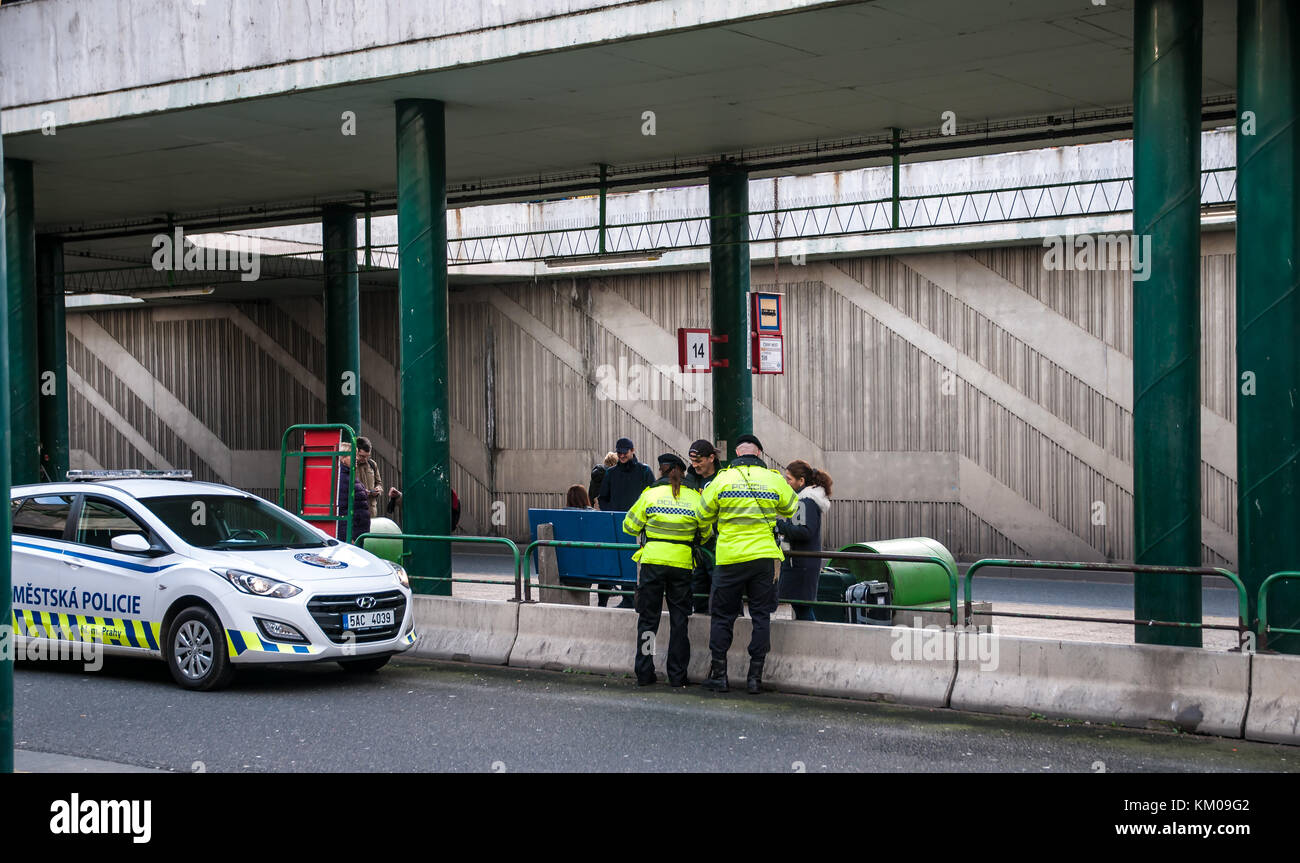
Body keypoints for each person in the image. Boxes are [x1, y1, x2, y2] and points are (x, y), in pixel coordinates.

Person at [697, 434, 797, 694]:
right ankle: (755, 678)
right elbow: (791, 508)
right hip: (763, 558)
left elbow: (703, 513)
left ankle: (720, 676)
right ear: (760, 455)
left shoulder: (722, 479)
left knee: (722, 616)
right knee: (761, 616)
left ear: (737, 455)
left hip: (729, 558)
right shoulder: (774, 479)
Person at [622, 453, 711, 687]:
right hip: (682, 565)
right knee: (679, 621)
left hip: (652, 563)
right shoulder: (695, 498)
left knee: (648, 620)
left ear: (661, 471)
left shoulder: (649, 494)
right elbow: (706, 532)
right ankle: (677, 674)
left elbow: (629, 526)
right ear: (682, 472)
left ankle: (644, 671)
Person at [775, 460, 833, 622]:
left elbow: (805, 531)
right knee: (801, 607)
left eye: (789, 479)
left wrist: (780, 525)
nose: (786, 483)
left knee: (802, 607)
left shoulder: (805, 501)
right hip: (802, 563)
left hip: (801, 564)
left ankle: (813, 642)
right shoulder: (806, 500)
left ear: (801, 481)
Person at [684, 439, 722, 614]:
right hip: (698, 547)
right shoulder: (690, 480)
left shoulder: (722, 479)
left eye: (699, 461)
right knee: (698, 595)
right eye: (692, 461)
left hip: (718, 546)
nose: (695, 465)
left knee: (721, 595)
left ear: (711, 458)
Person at [597, 438, 654, 512]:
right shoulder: (611, 473)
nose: (622, 456)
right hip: (616, 519)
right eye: (619, 453)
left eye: (625, 452)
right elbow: (603, 498)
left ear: (632, 450)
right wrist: (611, 512)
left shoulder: (644, 470)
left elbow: (653, 495)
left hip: (638, 520)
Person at [336, 443, 371, 543]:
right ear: (342, 458)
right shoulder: (342, 479)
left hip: (357, 533)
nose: (356, 458)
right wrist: (348, 536)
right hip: (351, 535)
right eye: (352, 455)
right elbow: (342, 511)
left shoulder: (350, 476)